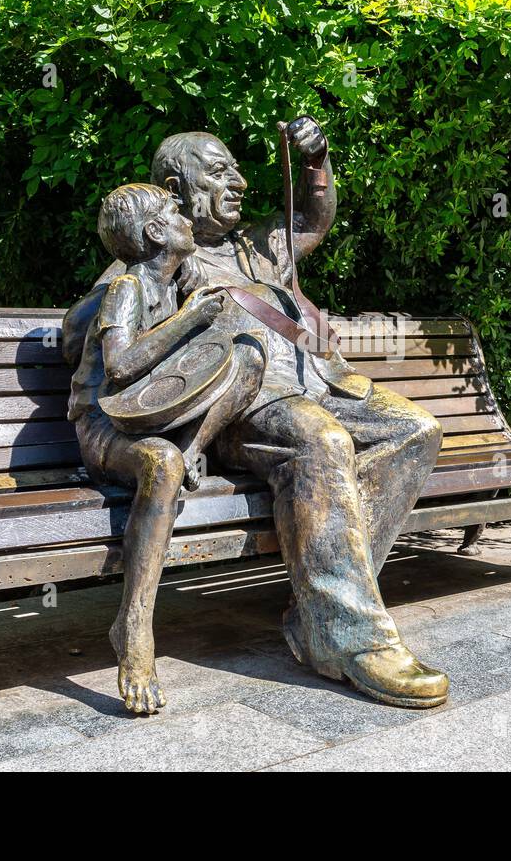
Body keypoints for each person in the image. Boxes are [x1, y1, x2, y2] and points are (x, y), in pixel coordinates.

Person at [147, 118, 451, 708]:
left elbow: (314, 218)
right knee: (324, 442)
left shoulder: (261, 245)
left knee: (416, 430)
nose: (236, 181)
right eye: (217, 172)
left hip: (323, 384)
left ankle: (324, 605)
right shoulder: (167, 256)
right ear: (175, 189)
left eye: (236, 169)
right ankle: (347, 637)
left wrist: (315, 162)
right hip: (247, 404)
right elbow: (104, 319)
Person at [63, 183, 264, 713]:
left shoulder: (175, 284)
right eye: (175, 211)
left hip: (152, 417)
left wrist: (213, 324)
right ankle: (133, 629)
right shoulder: (126, 288)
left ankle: (195, 445)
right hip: (104, 429)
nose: (186, 218)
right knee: (162, 463)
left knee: (248, 357)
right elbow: (122, 365)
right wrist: (192, 318)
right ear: (154, 232)